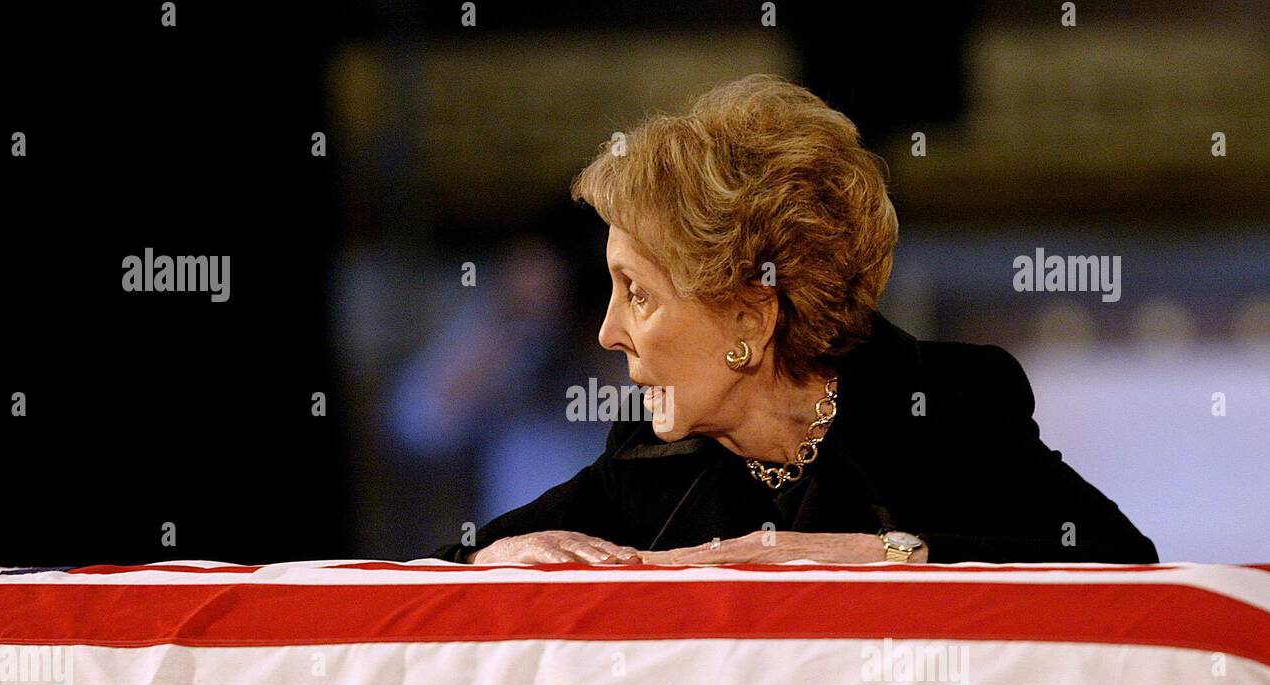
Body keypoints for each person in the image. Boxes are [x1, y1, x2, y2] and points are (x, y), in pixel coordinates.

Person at [429, 74, 1158, 566]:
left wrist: (862, 554)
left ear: (749, 313)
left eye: (639, 294)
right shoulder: (647, 456)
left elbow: (1121, 561)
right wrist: (493, 559)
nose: (609, 330)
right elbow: (458, 568)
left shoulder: (951, 400)